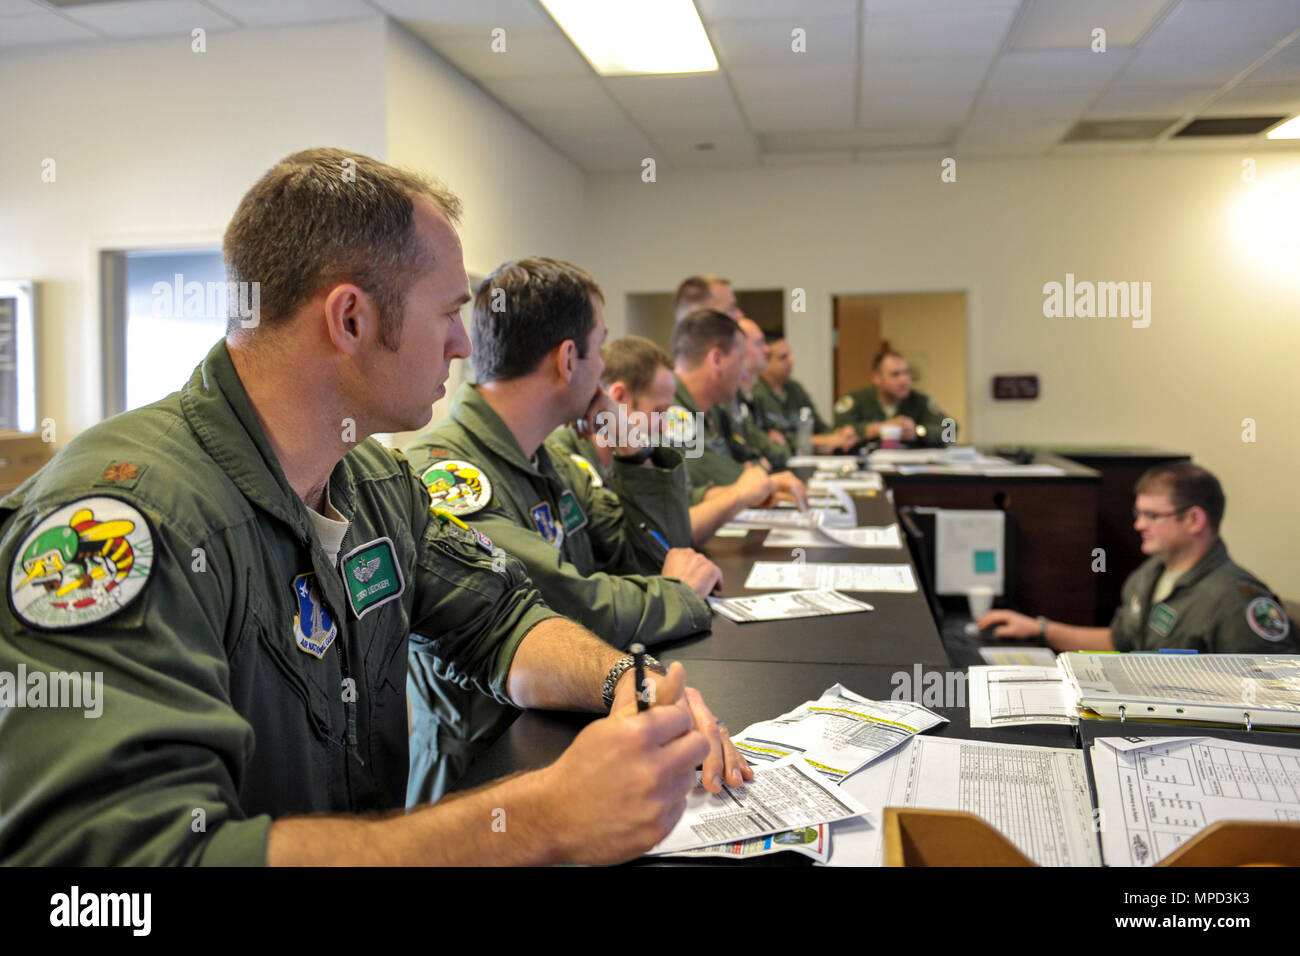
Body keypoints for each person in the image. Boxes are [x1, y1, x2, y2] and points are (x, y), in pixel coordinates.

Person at [0, 148, 748, 866]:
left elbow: (497, 620)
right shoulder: (129, 521)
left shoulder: (370, 482)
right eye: (448, 312)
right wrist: (541, 820)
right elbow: (120, 866)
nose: (463, 344)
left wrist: (627, 682)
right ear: (351, 319)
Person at [401, 257, 731, 800]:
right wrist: (676, 594)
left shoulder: (545, 457)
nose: (603, 368)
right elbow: (567, 605)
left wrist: (635, 452)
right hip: (482, 777)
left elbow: (652, 555)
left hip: (559, 734)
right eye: (599, 348)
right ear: (569, 358)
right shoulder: (447, 474)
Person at [978, 463, 1294, 654]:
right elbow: (1121, 640)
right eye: (1138, 513)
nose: (1138, 524)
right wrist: (1040, 629)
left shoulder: (1237, 600)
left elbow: (1272, 697)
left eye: (1151, 515)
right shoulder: (1150, 573)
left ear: (1194, 520)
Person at [548, 335, 779, 546]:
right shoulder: (564, 454)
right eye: (658, 411)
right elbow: (659, 536)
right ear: (619, 398)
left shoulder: (649, 446)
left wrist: (752, 490)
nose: (663, 426)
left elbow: (684, 501)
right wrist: (739, 496)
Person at [669, 309, 807, 508]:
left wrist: (754, 477)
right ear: (716, 359)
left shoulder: (713, 410)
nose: (744, 372)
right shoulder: (671, 410)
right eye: (740, 360)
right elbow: (705, 474)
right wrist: (759, 481)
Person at [754, 333, 857, 453]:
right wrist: (820, 440)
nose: (792, 361)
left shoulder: (795, 389)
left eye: (790, 355)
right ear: (765, 362)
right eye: (783, 357)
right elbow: (771, 439)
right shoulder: (756, 393)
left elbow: (820, 427)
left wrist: (840, 435)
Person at [833, 346, 953, 448]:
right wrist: (881, 428)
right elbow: (839, 431)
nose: (904, 380)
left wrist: (919, 431)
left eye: (906, 373)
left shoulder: (919, 401)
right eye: (895, 375)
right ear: (877, 378)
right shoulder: (857, 400)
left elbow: (951, 430)